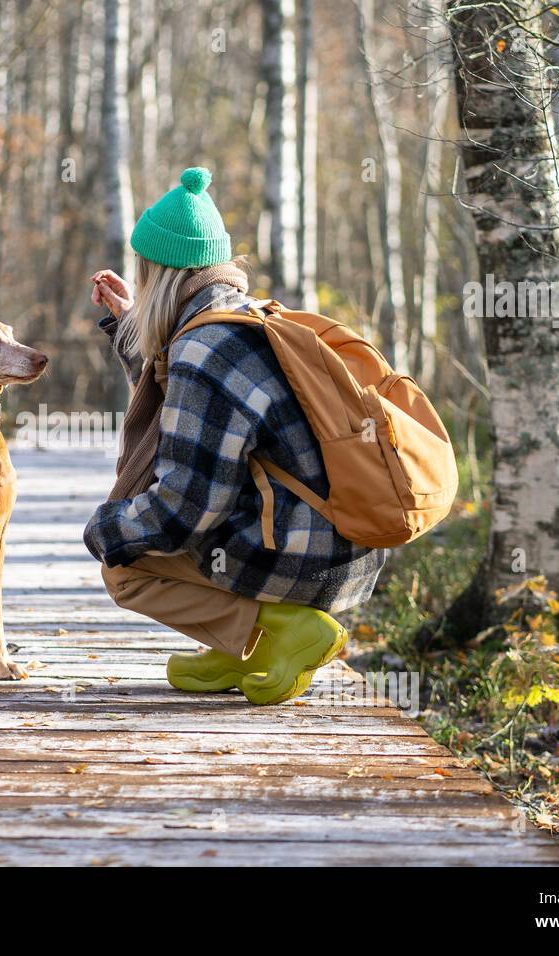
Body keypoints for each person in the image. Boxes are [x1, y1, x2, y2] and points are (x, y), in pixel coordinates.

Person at [84, 166, 386, 705]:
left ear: (162, 274)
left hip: (302, 560)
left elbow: (187, 505)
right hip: (341, 551)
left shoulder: (206, 350)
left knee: (123, 568)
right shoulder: (243, 318)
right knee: (152, 536)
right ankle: (243, 647)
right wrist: (130, 326)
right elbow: (180, 406)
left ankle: (282, 628)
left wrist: (107, 531)